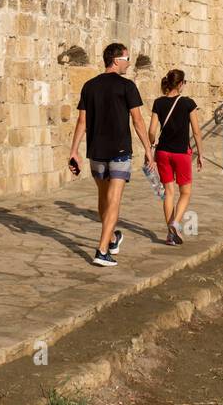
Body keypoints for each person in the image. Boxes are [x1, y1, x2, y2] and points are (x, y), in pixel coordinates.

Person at [69, 42, 155, 267]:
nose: (129, 63)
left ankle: (112, 237)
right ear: (116, 60)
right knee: (114, 201)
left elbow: (81, 121)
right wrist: (148, 150)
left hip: (95, 151)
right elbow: (137, 121)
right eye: (127, 59)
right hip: (119, 151)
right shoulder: (127, 86)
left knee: (104, 198)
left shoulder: (89, 86)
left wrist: (74, 151)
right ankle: (102, 250)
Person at [147, 69, 204, 246]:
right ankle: (175, 223)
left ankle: (170, 235)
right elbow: (196, 131)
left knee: (168, 193)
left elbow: (151, 131)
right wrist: (200, 154)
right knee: (185, 192)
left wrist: (151, 146)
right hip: (181, 153)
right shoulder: (188, 103)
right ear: (180, 84)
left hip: (162, 152)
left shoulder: (158, 103)